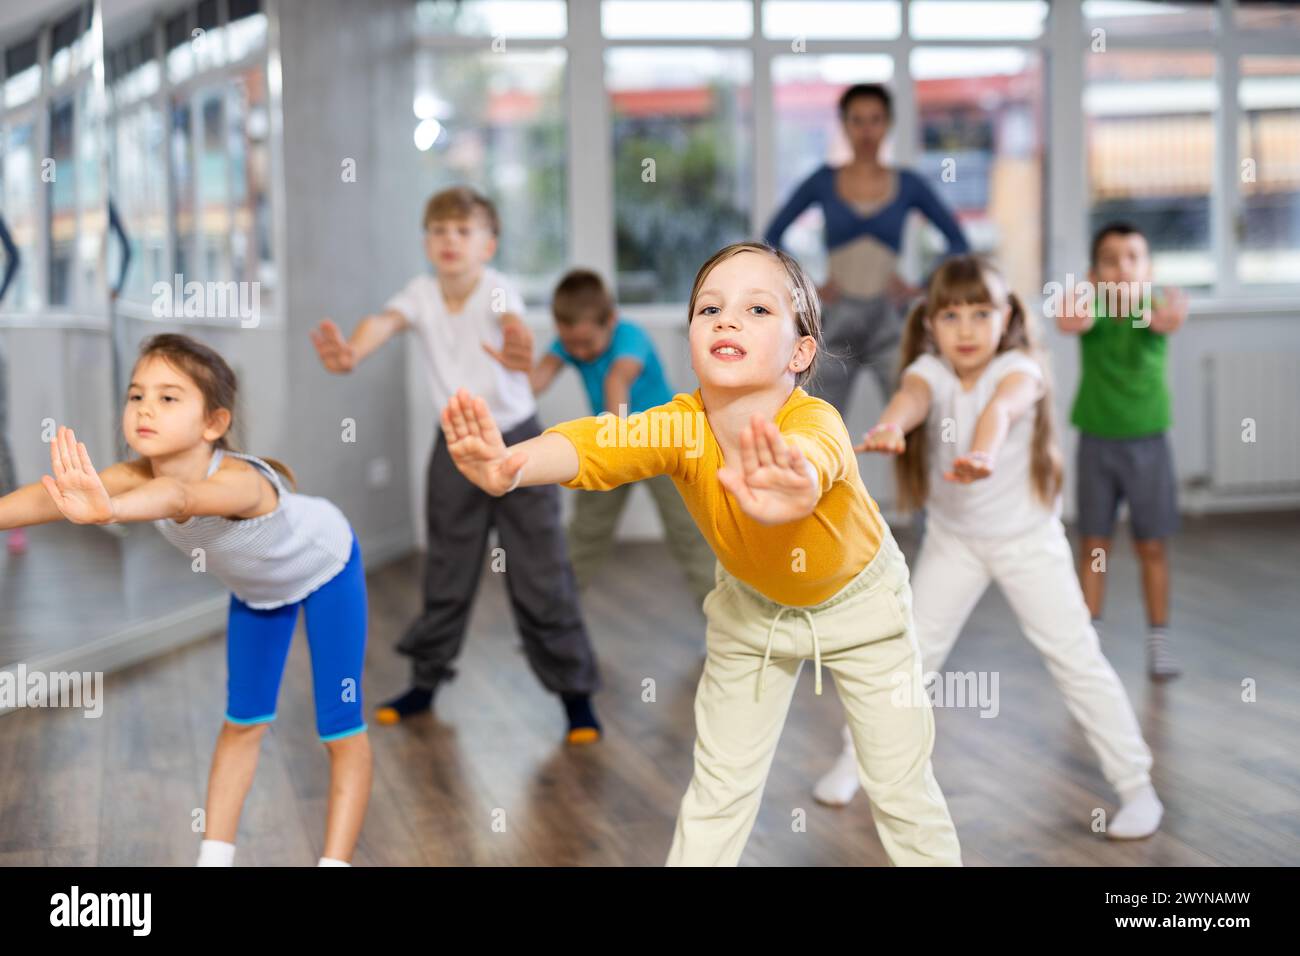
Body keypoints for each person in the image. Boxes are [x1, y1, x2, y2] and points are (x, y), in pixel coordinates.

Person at [440, 241, 962, 866]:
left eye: (758, 310)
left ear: (801, 351)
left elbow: (816, 462)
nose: (727, 319)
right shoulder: (679, 426)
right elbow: (600, 445)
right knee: (719, 788)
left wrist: (793, 488)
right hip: (751, 615)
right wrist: (511, 465)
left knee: (900, 787)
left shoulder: (814, 420)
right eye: (709, 308)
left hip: (862, 613)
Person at [812, 256, 1163, 840]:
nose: (967, 329)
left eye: (982, 313)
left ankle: (1137, 787)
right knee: (910, 659)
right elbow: (912, 398)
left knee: (1076, 658)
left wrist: (984, 452)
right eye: (951, 315)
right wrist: (894, 425)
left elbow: (1002, 409)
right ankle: (856, 759)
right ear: (930, 323)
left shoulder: (1022, 367)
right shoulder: (931, 369)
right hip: (955, 542)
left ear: (1008, 318)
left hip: (1028, 543)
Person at [0, 333, 372, 866]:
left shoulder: (244, 483)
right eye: (136, 395)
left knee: (339, 726)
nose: (146, 407)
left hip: (328, 567)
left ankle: (334, 863)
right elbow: (46, 496)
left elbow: (180, 498)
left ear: (214, 423)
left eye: (169, 397)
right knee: (242, 723)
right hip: (258, 595)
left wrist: (108, 512)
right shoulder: (131, 476)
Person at [310, 186, 602, 742]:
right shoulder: (419, 294)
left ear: (487, 244)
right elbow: (384, 323)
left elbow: (512, 322)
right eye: (439, 231)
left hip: (516, 443)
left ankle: (577, 699)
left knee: (540, 576)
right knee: (447, 570)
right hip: (456, 446)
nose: (450, 241)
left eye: (463, 231)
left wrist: (519, 344)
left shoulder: (498, 290)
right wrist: (351, 351)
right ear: (427, 242)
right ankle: (424, 685)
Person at [764, 83, 969, 415]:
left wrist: (921, 286)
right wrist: (808, 287)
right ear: (844, 125)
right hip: (835, 318)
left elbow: (958, 244)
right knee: (815, 422)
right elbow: (772, 237)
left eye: (875, 119)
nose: (866, 130)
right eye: (857, 120)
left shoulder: (908, 184)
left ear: (888, 124)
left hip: (889, 318)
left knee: (911, 421)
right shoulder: (823, 180)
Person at [530, 268, 715, 606]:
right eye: (570, 343)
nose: (579, 351)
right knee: (586, 531)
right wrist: (509, 377)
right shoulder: (570, 341)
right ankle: (554, 623)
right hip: (615, 440)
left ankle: (724, 627)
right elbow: (537, 380)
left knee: (688, 533)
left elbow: (617, 380)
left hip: (666, 444)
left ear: (610, 320)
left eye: (587, 343)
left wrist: (616, 440)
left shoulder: (631, 336)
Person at [1058, 223, 1189, 680]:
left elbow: (1164, 321)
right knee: (1095, 544)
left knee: (1152, 544)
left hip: (1149, 443)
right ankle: (1088, 645)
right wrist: (1092, 295)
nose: (1123, 266)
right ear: (1095, 272)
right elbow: (1068, 321)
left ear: (1148, 267)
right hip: (1096, 442)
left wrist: (1136, 300)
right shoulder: (1092, 307)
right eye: (1111, 259)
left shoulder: (1155, 307)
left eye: (1133, 257)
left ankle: (1159, 642)